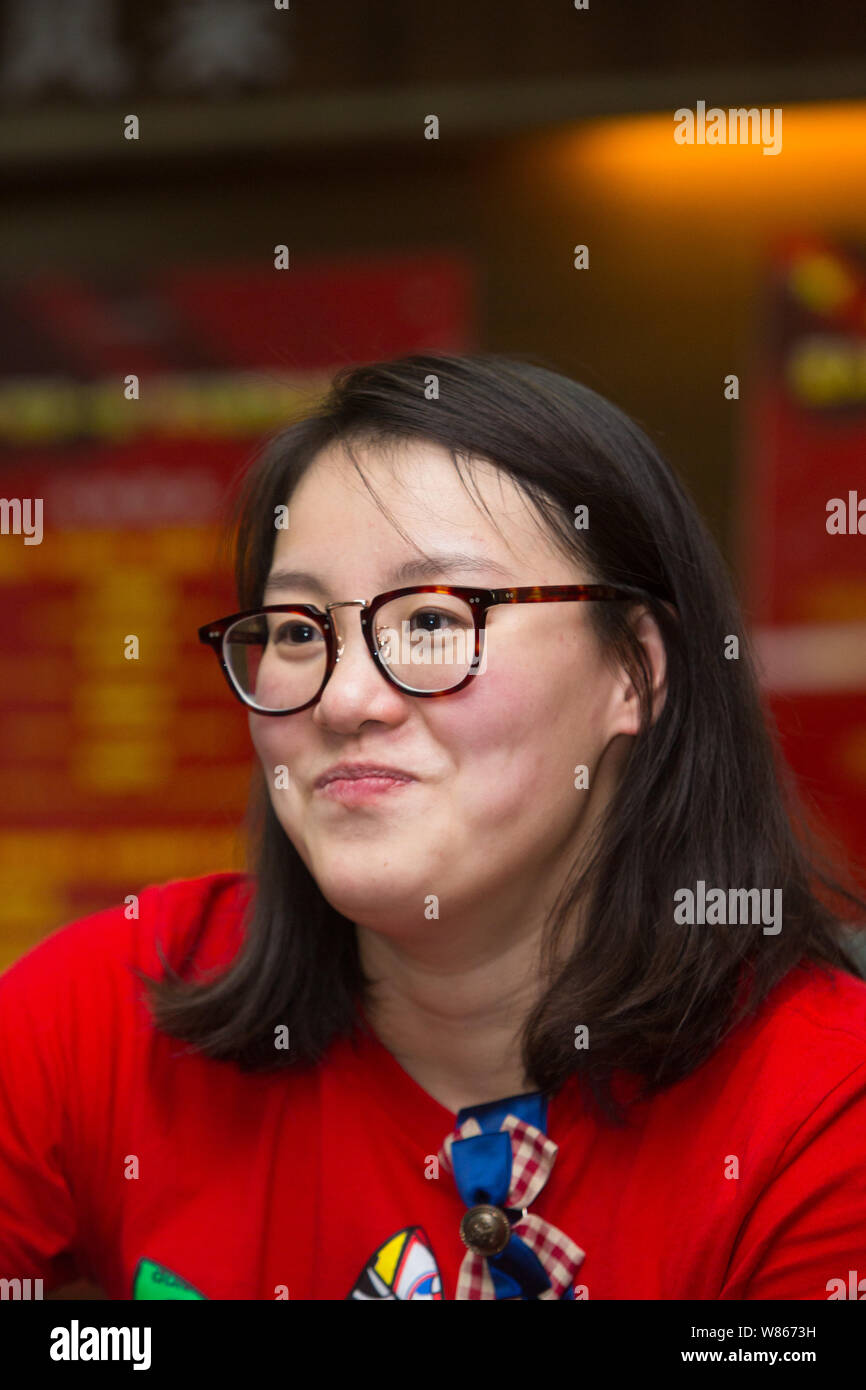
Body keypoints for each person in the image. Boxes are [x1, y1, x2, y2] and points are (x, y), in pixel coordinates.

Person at [1, 352, 865, 1302]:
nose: (347, 696)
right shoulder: (104, 1010)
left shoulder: (822, 1106)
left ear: (633, 673)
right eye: (296, 630)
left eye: (433, 619)